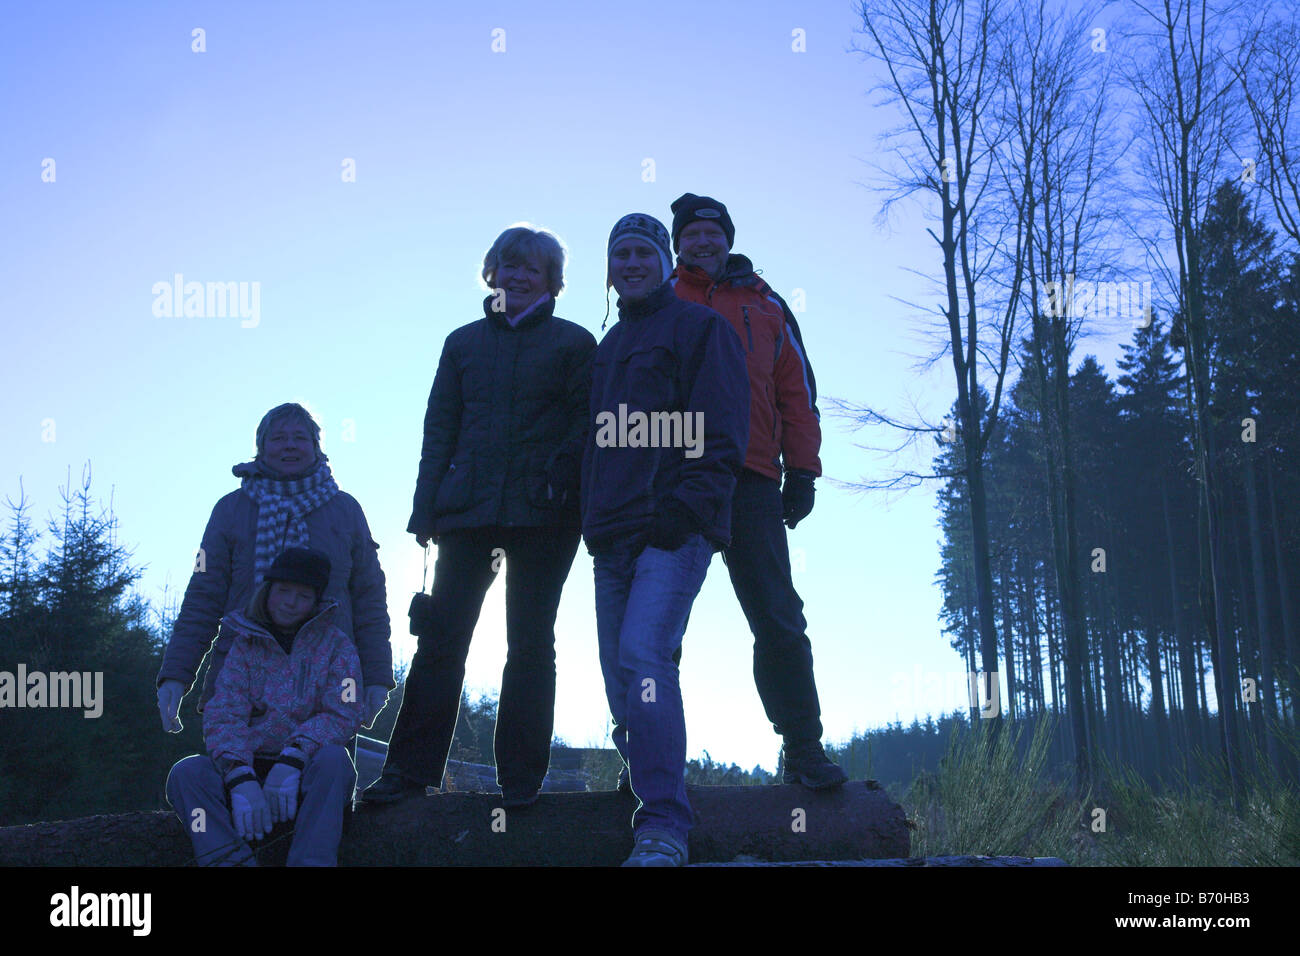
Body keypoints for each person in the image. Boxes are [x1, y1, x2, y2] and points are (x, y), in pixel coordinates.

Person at [360, 224, 596, 808]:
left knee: (531, 642)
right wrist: (425, 508)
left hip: (546, 518)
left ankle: (519, 778)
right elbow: (438, 427)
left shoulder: (575, 344)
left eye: (531, 268)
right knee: (441, 640)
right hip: (465, 515)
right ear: (492, 271)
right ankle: (409, 772)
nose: (518, 276)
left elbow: (584, 431)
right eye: (508, 265)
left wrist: (560, 489)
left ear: (551, 280)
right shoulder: (462, 342)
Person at [585, 213, 748, 866]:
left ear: (663, 260)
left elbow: (722, 429)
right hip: (609, 537)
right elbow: (596, 443)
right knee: (620, 684)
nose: (630, 262)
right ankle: (646, 786)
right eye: (619, 253)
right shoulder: (604, 350)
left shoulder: (700, 329)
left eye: (642, 251)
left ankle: (663, 829)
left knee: (645, 658)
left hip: (672, 530)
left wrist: (684, 510)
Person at [668, 193, 847, 789]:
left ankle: (803, 748)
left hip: (752, 480)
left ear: (728, 239)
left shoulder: (767, 305)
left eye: (711, 233)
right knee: (657, 621)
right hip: (675, 478)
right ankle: (646, 758)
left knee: (777, 615)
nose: (702, 243)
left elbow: (797, 392)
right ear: (678, 245)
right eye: (690, 235)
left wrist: (803, 471)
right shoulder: (659, 298)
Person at [156, 403, 393, 736]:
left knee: (324, 775)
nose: (290, 445)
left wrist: (377, 677)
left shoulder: (346, 510)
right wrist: (176, 675)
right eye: (278, 438)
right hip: (241, 677)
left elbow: (369, 599)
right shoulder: (230, 510)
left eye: (300, 437)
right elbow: (203, 596)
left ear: (316, 447)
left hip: (329, 679)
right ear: (261, 448)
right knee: (235, 779)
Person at [165, 547, 363, 866]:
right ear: (268, 591)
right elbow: (224, 714)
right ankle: (231, 860)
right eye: (283, 590)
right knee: (187, 772)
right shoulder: (244, 645)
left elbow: (345, 711)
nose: (290, 601)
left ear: (316, 601)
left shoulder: (337, 645)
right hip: (248, 776)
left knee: (334, 760)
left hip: (306, 773)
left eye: (302, 595)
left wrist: (294, 757)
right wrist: (239, 775)